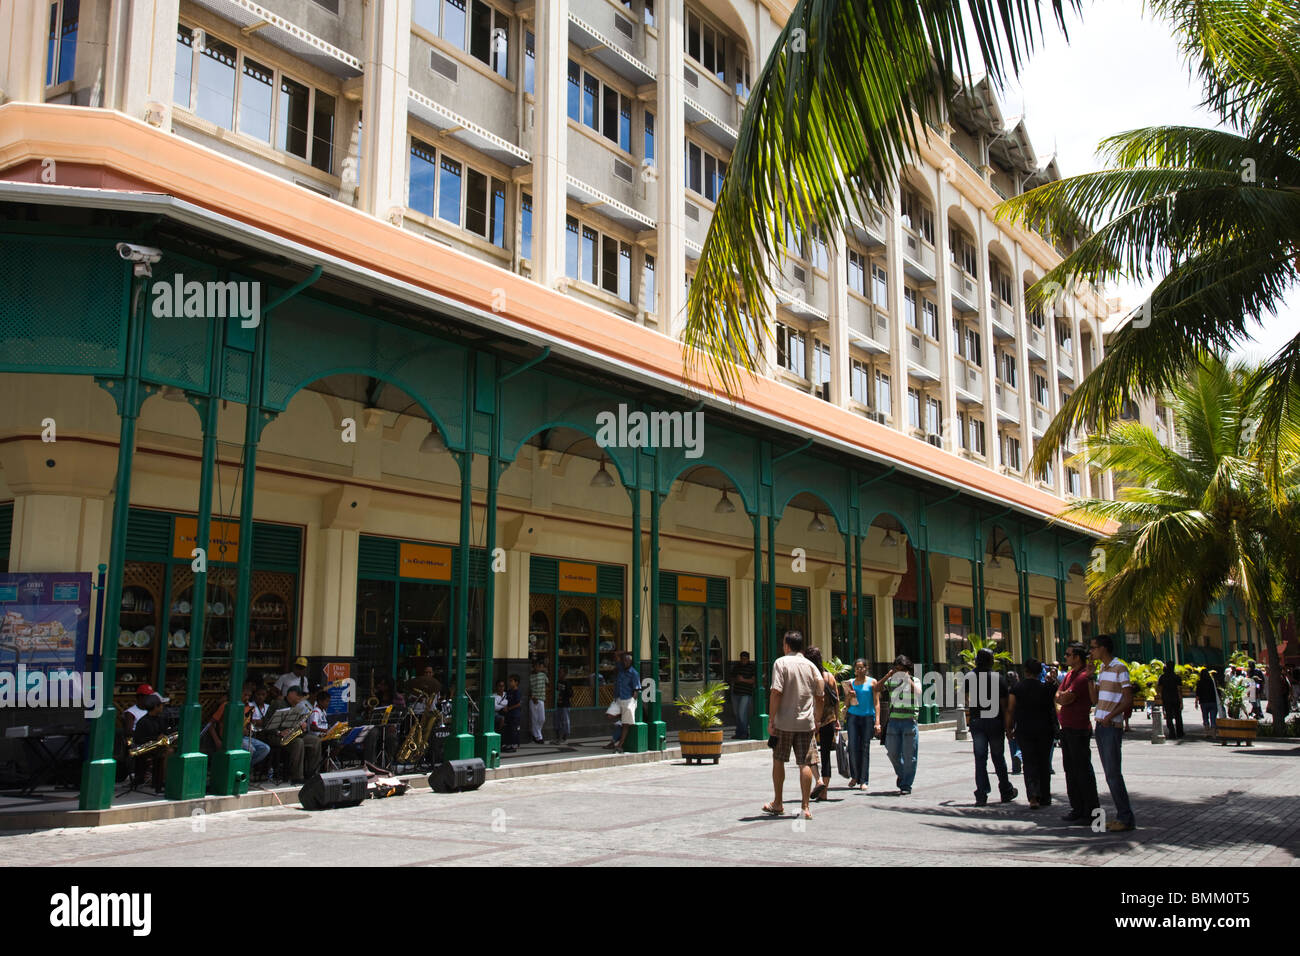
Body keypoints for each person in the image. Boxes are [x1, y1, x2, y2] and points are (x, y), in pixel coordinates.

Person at [762, 631, 823, 819]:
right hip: (806, 723)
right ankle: (805, 807)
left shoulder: (780, 663)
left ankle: (778, 802)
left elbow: (776, 692)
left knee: (779, 760)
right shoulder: (811, 665)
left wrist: (771, 719)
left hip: (784, 722)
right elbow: (820, 694)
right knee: (804, 763)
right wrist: (817, 719)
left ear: (787, 645)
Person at [1089, 633, 1136, 831]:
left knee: (1113, 774)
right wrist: (1090, 677)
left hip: (1110, 726)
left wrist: (1111, 716)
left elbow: (1127, 699)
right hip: (1101, 724)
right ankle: (1122, 815)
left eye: (1093, 647)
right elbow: (1094, 699)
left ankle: (1125, 817)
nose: (1091, 651)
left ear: (1103, 649)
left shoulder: (1120, 668)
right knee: (1110, 773)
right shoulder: (1102, 669)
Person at [1055, 642, 1100, 824]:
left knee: (1082, 771)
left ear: (1077, 657)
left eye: (1068, 654)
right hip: (1066, 729)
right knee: (1070, 770)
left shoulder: (1081, 678)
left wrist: (1062, 697)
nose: (1065, 657)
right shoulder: (1069, 675)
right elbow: (1058, 695)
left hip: (1078, 729)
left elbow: (1066, 697)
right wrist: (1061, 696)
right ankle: (1077, 807)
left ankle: (1090, 811)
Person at [968, 648, 1017, 806]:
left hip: (977, 721)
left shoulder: (970, 677)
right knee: (998, 757)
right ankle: (1005, 790)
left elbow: (969, 700)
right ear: (991, 661)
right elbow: (1004, 705)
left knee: (980, 759)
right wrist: (1008, 726)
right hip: (995, 721)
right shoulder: (998, 678)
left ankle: (981, 794)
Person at [1007, 658, 1056, 809]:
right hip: (1045, 730)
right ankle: (1045, 796)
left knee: (1029, 763)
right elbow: (1055, 707)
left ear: (1025, 671)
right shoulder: (1046, 688)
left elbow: (1010, 709)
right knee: (1043, 762)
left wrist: (1008, 729)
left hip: (1024, 729)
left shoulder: (1017, 688)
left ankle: (1033, 797)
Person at [803, 647, 840, 801]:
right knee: (825, 755)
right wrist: (837, 719)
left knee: (809, 754)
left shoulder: (809, 677)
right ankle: (824, 789)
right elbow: (837, 699)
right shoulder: (829, 676)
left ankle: (818, 782)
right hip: (829, 719)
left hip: (811, 720)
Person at [881, 655, 921, 795]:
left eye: (902, 669)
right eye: (897, 669)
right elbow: (877, 689)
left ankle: (906, 785)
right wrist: (887, 676)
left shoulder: (915, 680)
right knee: (892, 752)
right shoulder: (891, 681)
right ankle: (902, 774)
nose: (899, 672)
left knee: (910, 756)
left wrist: (907, 679)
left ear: (908, 669)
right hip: (893, 721)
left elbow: (917, 692)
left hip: (909, 721)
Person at [842, 658, 878, 790]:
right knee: (852, 746)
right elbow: (846, 703)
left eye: (862, 667)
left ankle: (864, 780)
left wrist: (877, 722)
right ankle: (855, 776)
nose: (859, 670)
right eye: (857, 668)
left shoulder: (872, 682)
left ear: (866, 668)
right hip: (853, 716)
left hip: (867, 717)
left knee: (864, 747)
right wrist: (849, 696)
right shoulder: (850, 683)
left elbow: (876, 702)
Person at [131, 694, 173, 794]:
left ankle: (169, 779)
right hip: (145, 749)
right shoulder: (143, 722)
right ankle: (162, 781)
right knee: (168, 752)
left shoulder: (160, 719)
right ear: (155, 707)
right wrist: (155, 738)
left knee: (172, 749)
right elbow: (138, 739)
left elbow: (165, 732)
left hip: (158, 747)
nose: (162, 707)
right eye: (160, 705)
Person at [602, 652, 641, 752]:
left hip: (628, 699)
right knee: (609, 715)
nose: (625, 663)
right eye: (624, 661)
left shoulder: (634, 673)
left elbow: (636, 690)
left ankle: (620, 745)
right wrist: (625, 653)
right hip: (619, 698)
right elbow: (616, 655)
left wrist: (632, 703)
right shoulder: (621, 669)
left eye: (627, 661)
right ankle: (621, 718)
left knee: (625, 725)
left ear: (630, 662)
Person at [731, 651, 756, 739]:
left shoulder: (752, 667)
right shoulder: (737, 666)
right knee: (737, 713)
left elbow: (753, 681)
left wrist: (743, 680)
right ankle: (738, 732)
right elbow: (732, 679)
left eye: (745, 659)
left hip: (746, 693)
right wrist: (737, 680)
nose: (743, 660)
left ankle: (745, 732)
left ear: (748, 659)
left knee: (742, 713)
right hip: (736, 693)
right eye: (742, 658)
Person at [1158, 660, 1185, 739]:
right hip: (1176, 698)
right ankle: (1180, 732)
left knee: (1169, 716)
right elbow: (1179, 690)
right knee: (1178, 716)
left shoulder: (1162, 677)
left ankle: (1172, 732)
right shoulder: (1177, 677)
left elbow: (1159, 689)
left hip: (1166, 698)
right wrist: (1181, 701)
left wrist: (1161, 697)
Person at [528, 658, 549, 745]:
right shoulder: (530, 676)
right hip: (533, 700)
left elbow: (548, 683)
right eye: (536, 666)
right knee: (534, 718)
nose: (538, 668)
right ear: (534, 667)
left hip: (541, 699)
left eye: (540, 666)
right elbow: (528, 688)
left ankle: (536, 733)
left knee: (542, 719)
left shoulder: (543, 675)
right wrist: (532, 697)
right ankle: (538, 736)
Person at [1195, 667, 1220, 738]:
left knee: (1205, 717)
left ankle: (1207, 732)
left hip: (1203, 702)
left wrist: (1196, 702)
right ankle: (1213, 733)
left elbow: (1198, 693)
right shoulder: (1212, 682)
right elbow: (1217, 691)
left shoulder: (1200, 682)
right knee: (1213, 717)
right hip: (1213, 701)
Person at [501, 674, 522, 752]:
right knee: (508, 729)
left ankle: (514, 745)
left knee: (514, 729)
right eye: (509, 681)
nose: (510, 683)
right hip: (508, 714)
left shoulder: (517, 692)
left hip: (515, 714)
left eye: (511, 681)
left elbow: (518, 703)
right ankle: (508, 744)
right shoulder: (509, 691)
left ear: (516, 682)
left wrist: (509, 708)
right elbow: (506, 701)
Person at [554, 666, 572, 744]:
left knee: (565, 721)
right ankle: (558, 737)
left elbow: (571, 694)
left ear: (565, 674)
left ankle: (564, 737)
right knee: (557, 721)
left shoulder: (567, 683)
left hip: (565, 704)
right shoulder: (558, 681)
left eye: (561, 672)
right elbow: (557, 690)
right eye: (558, 672)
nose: (559, 674)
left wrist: (564, 695)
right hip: (559, 704)